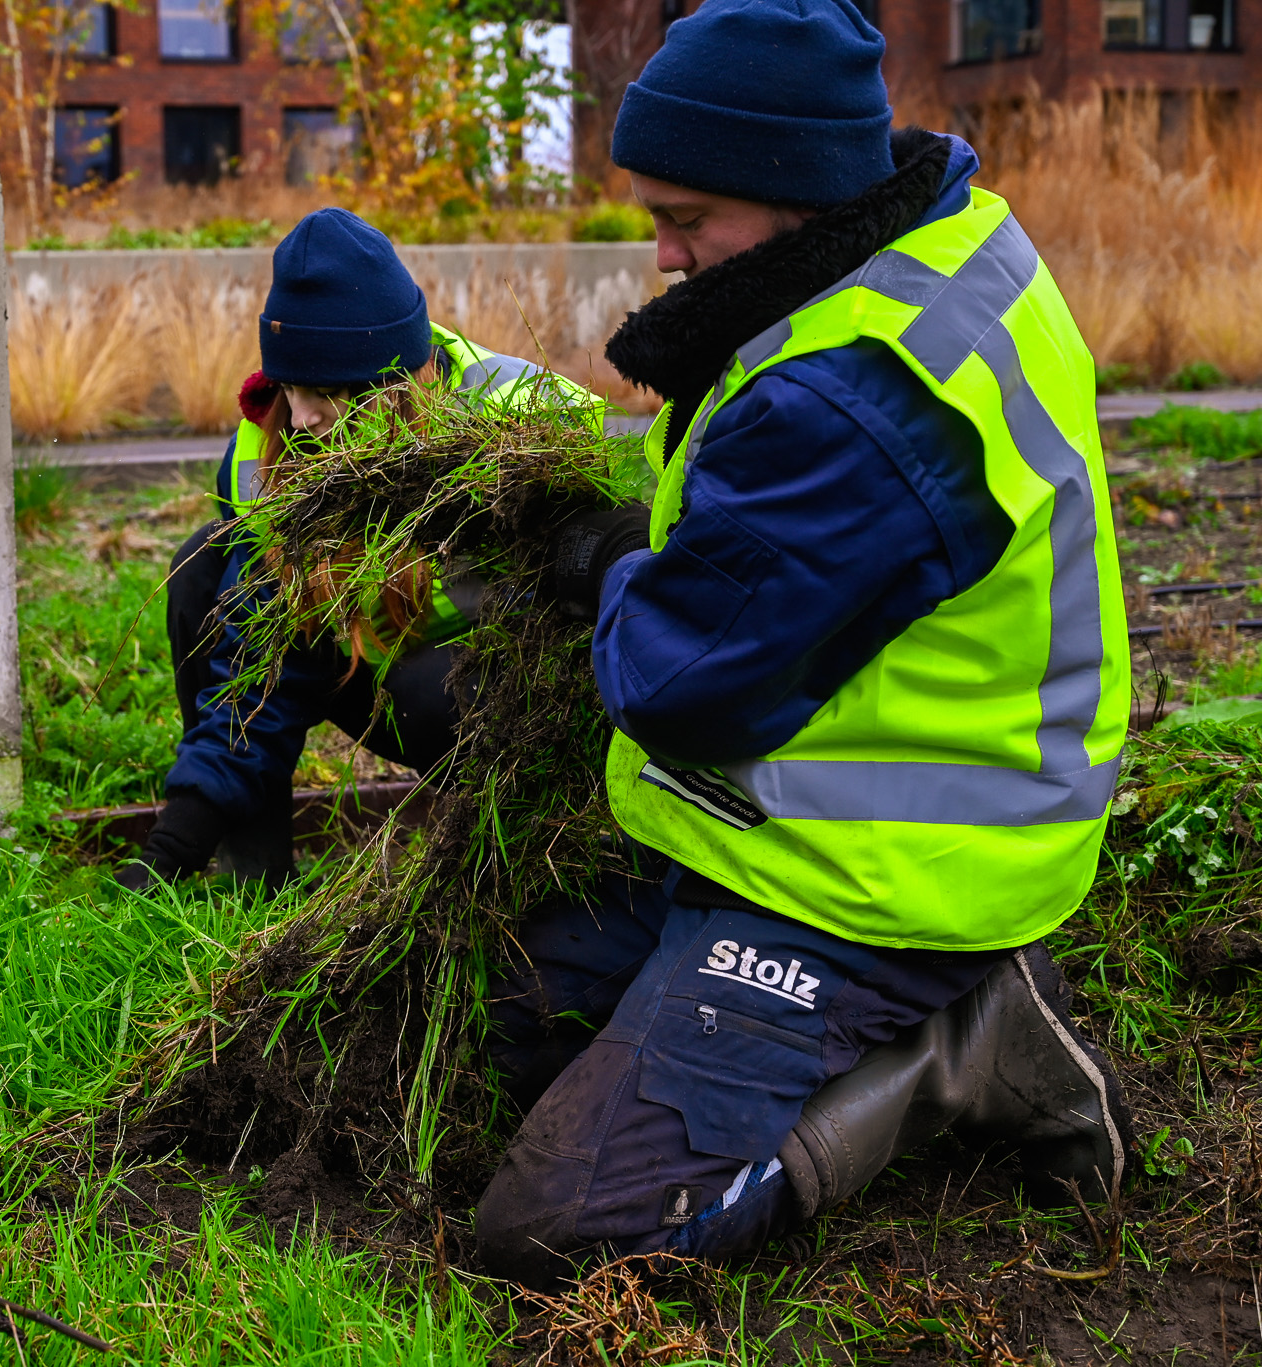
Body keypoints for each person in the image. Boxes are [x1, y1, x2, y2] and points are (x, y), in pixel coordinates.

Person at [471, 0, 1133, 1283]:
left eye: (683, 220)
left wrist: (608, 567)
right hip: (766, 827)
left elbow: (676, 680)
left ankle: (957, 1048)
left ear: (785, 188)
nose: (661, 257)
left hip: (879, 884)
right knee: (495, 1027)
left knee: (565, 1233)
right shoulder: (893, 252)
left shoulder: (859, 395)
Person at [116, 208, 600, 888]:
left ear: (398, 382)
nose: (303, 414)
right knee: (205, 567)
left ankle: (506, 871)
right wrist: (171, 844)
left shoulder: (519, 433)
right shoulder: (273, 453)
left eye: (327, 392)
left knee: (448, 685)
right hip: (364, 658)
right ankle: (251, 875)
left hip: (490, 694)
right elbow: (261, 659)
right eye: (289, 386)